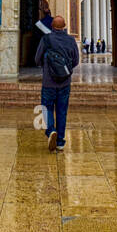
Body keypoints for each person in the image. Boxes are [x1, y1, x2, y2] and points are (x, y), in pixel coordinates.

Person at [36, 14, 79, 152]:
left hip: (48, 82)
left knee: (46, 109)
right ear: (65, 26)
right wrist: (65, 69)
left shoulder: (46, 39)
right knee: (62, 111)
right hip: (64, 82)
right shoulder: (71, 40)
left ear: (52, 26)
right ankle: (60, 141)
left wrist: (47, 67)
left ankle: (51, 131)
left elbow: (37, 59)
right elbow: (76, 60)